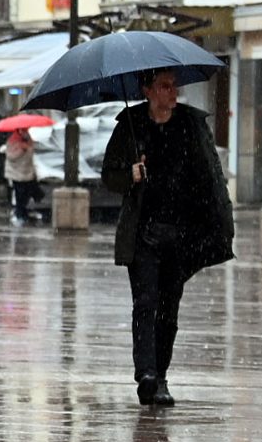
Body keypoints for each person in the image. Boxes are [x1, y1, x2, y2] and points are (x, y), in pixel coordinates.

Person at [100, 68, 234, 407]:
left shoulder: (191, 126)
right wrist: (130, 174)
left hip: (181, 236)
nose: (172, 92)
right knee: (145, 304)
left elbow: (211, 178)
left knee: (168, 310)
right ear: (147, 90)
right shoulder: (131, 126)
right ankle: (145, 374)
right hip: (143, 235)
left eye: (174, 86)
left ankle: (160, 375)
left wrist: (217, 225)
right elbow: (108, 176)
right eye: (164, 86)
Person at [2, 125, 44, 224]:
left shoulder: (28, 140)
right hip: (17, 173)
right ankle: (20, 214)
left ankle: (22, 213)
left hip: (27, 172)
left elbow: (31, 153)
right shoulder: (13, 141)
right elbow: (11, 156)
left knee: (25, 193)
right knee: (20, 194)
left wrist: (28, 146)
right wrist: (22, 149)